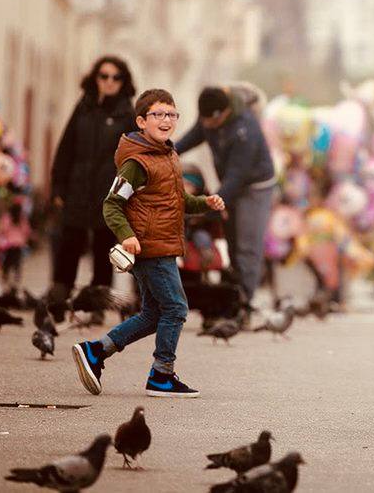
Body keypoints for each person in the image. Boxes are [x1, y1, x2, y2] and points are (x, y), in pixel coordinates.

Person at [72, 89, 224, 398]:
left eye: (172, 114)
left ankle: (96, 351)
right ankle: (161, 374)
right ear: (142, 121)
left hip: (163, 245)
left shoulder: (167, 154)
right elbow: (112, 204)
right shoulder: (137, 162)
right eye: (158, 114)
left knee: (153, 313)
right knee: (177, 308)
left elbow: (177, 201)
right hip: (150, 247)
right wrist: (127, 235)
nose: (166, 120)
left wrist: (205, 203)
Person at [175, 86, 276, 301]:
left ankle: (244, 303)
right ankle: (232, 296)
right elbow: (193, 136)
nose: (207, 126)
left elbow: (237, 176)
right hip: (230, 185)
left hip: (254, 187)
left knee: (247, 245)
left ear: (225, 113)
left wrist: (212, 205)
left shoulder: (245, 129)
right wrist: (167, 152)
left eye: (211, 122)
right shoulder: (209, 116)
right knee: (231, 240)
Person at [49, 56, 136, 301]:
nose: (109, 82)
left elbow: (133, 158)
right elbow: (66, 148)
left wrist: (127, 194)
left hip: (108, 192)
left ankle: (98, 299)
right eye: (104, 76)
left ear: (123, 81)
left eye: (115, 77)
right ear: (95, 79)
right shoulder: (83, 107)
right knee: (70, 240)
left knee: (102, 246)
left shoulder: (126, 113)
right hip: (78, 188)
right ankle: (60, 293)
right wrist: (58, 186)